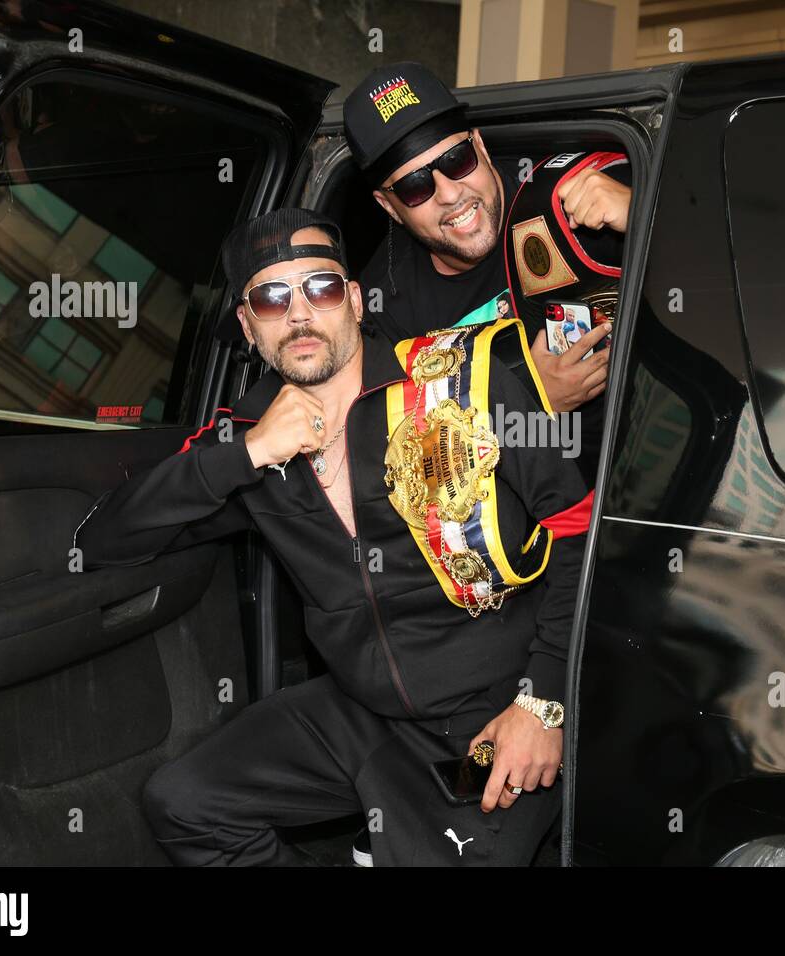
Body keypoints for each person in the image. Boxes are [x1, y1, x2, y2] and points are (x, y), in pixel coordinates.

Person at [72, 208, 592, 866]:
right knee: (186, 802)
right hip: (361, 713)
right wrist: (250, 451)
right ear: (246, 324)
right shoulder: (246, 440)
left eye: (318, 287)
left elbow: (580, 532)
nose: (298, 315)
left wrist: (544, 702)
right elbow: (102, 541)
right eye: (270, 297)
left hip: (489, 717)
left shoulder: (462, 382)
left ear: (351, 300)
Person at [344, 62, 632, 484]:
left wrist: (641, 212)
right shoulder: (383, 305)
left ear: (478, 145)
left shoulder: (566, 197)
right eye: (414, 186)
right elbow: (402, 462)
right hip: (532, 519)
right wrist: (530, 400)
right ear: (390, 208)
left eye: (457, 160)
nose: (450, 193)